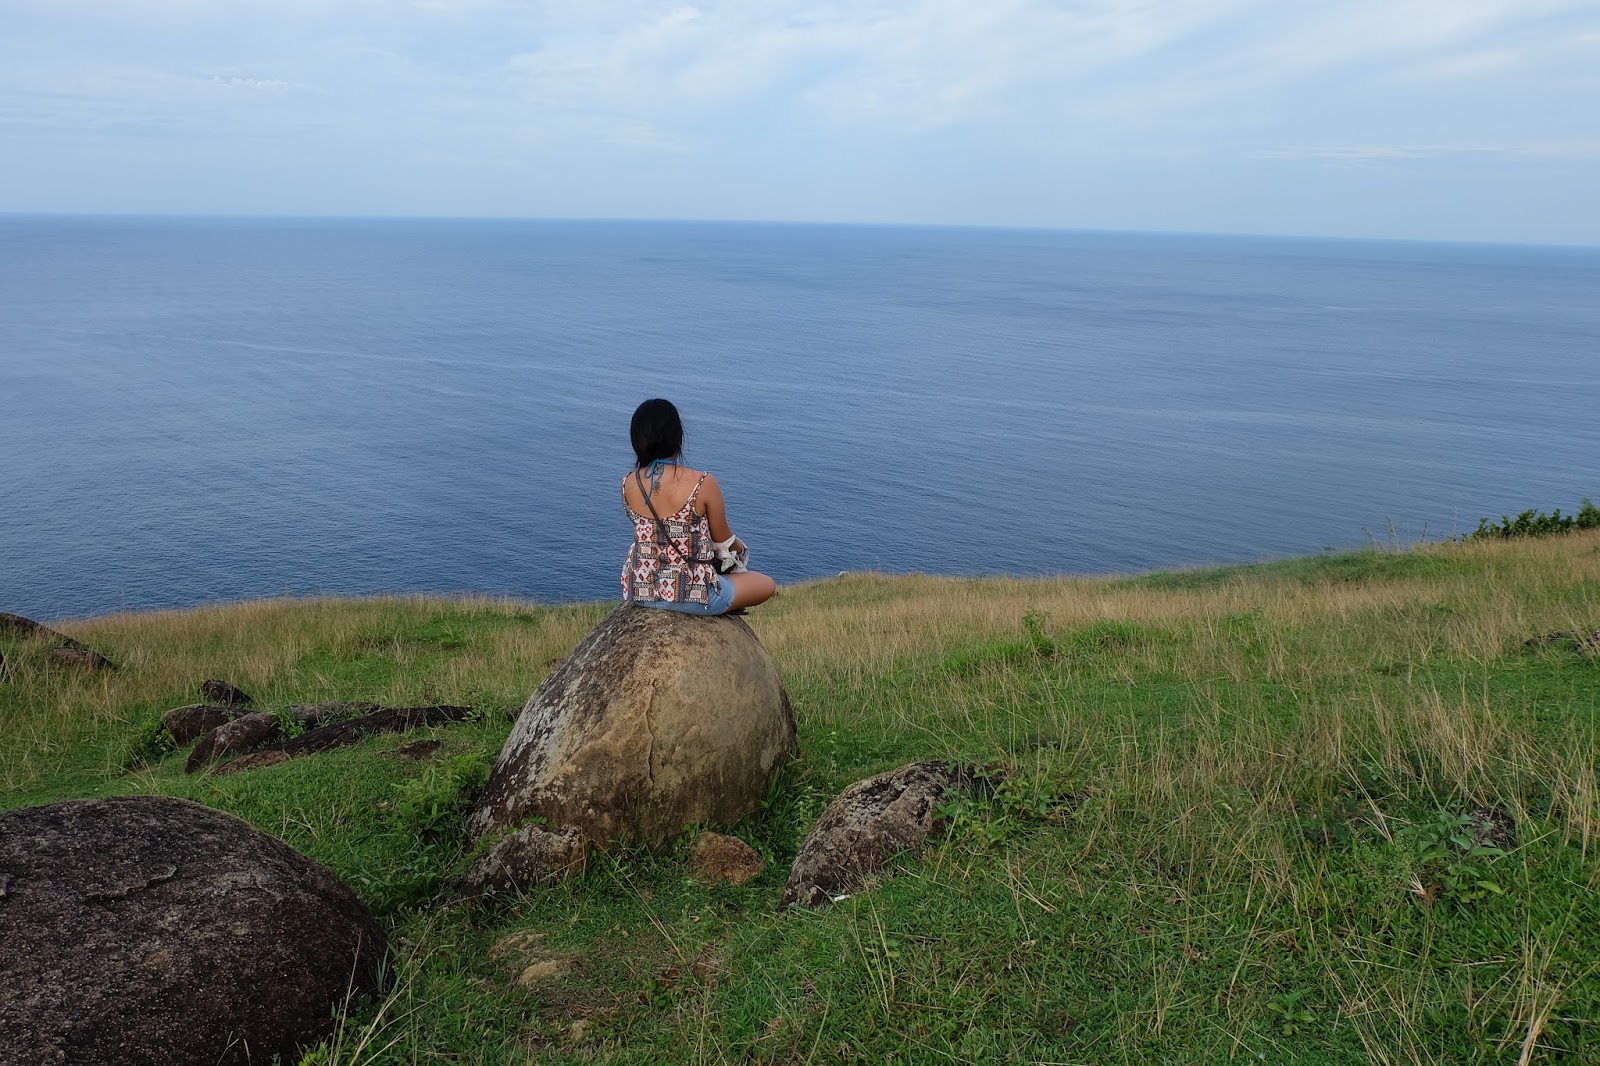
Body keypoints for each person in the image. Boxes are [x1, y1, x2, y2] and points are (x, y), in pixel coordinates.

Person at [620, 398, 776, 615]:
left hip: (639, 590)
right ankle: (719, 604)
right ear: (678, 437)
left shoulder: (628, 483)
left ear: (636, 440)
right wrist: (741, 550)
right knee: (766, 584)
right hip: (691, 594)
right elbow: (724, 541)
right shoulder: (703, 483)